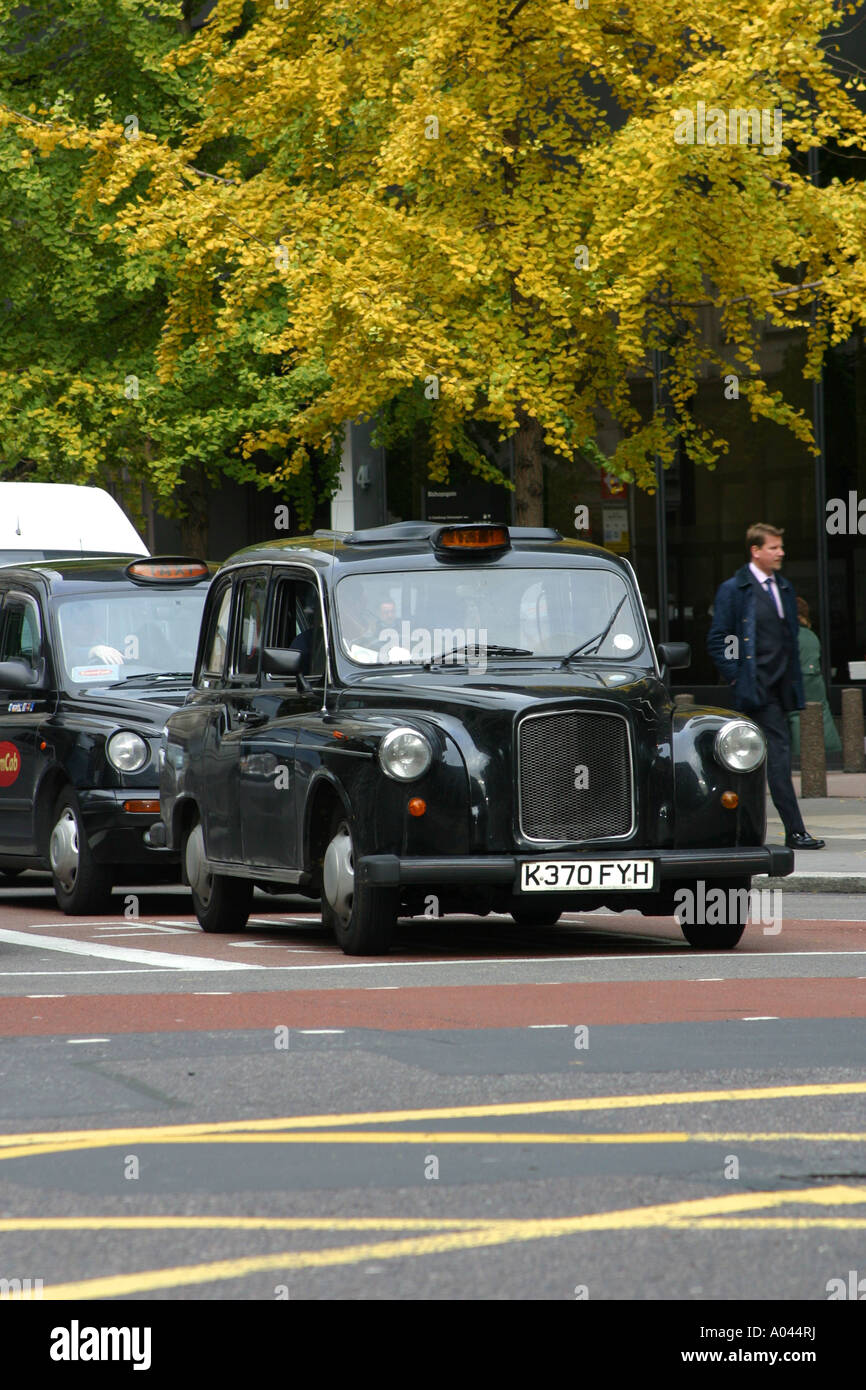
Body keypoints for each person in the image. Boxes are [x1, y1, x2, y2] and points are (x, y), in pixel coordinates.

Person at [707, 523, 825, 850]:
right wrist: (736, 675)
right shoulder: (734, 589)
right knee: (747, 763)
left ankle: (787, 831)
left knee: (772, 763)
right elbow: (720, 639)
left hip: (777, 691)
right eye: (773, 547)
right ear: (755, 551)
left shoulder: (783, 589)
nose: (781, 552)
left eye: (780, 547)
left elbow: (788, 640)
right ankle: (787, 831)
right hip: (750, 690)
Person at [788, 597, 841, 757]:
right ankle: (833, 750)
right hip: (814, 681)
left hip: (796, 681)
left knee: (796, 716)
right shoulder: (810, 635)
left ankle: (799, 756)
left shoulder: (789, 634)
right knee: (822, 713)